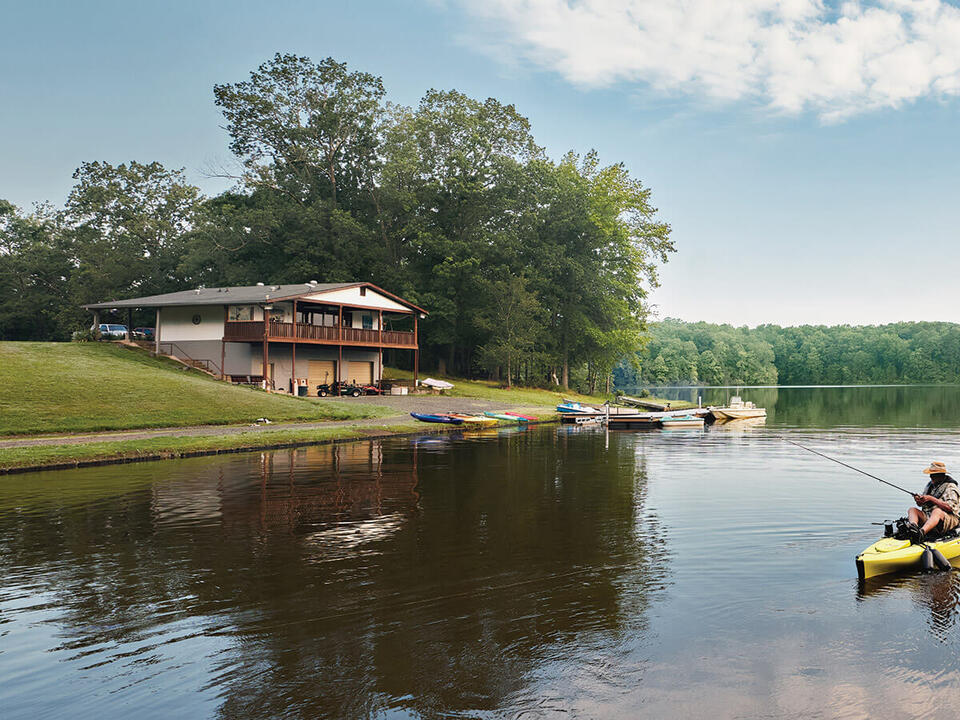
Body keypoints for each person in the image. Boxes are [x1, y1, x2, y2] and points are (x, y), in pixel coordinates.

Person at [907, 461, 960, 542]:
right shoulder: (930, 485)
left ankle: (921, 533)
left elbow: (950, 508)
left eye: (933, 475)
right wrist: (919, 500)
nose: (931, 477)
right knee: (912, 510)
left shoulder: (951, 487)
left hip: (949, 520)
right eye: (931, 475)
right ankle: (913, 528)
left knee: (937, 511)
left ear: (941, 475)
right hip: (930, 517)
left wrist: (931, 499)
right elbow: (921, 505)